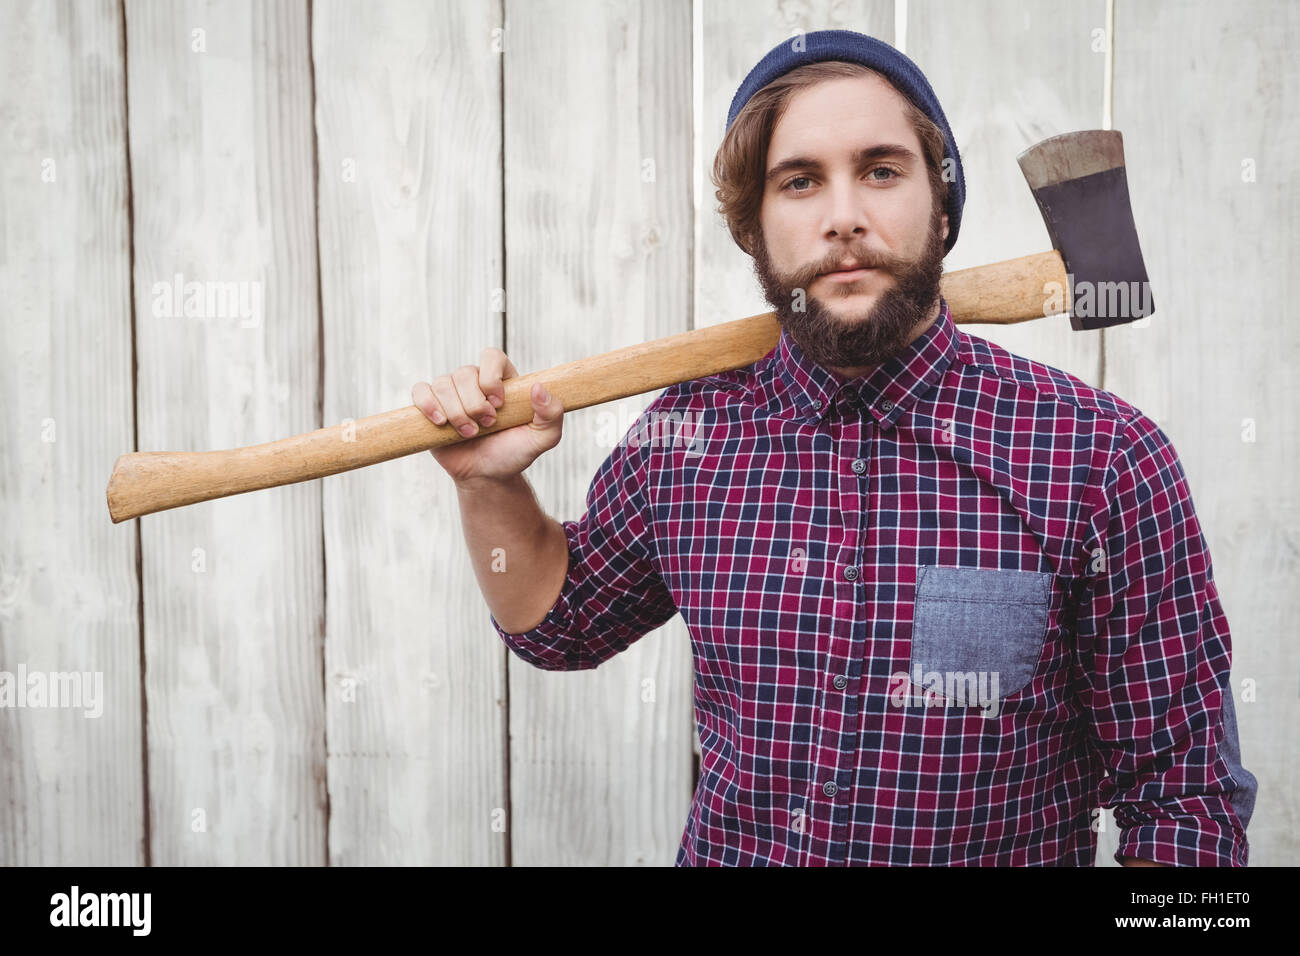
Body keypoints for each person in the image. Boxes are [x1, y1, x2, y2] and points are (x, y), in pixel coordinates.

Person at [411, 29, 1256, 866]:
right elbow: (563, 627)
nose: (844, 217)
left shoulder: (1101, 457)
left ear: (943, 206)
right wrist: (487, 486)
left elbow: (1184, 806)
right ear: (753, 227)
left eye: (881, 171)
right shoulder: (685, 437)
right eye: (800, 181)